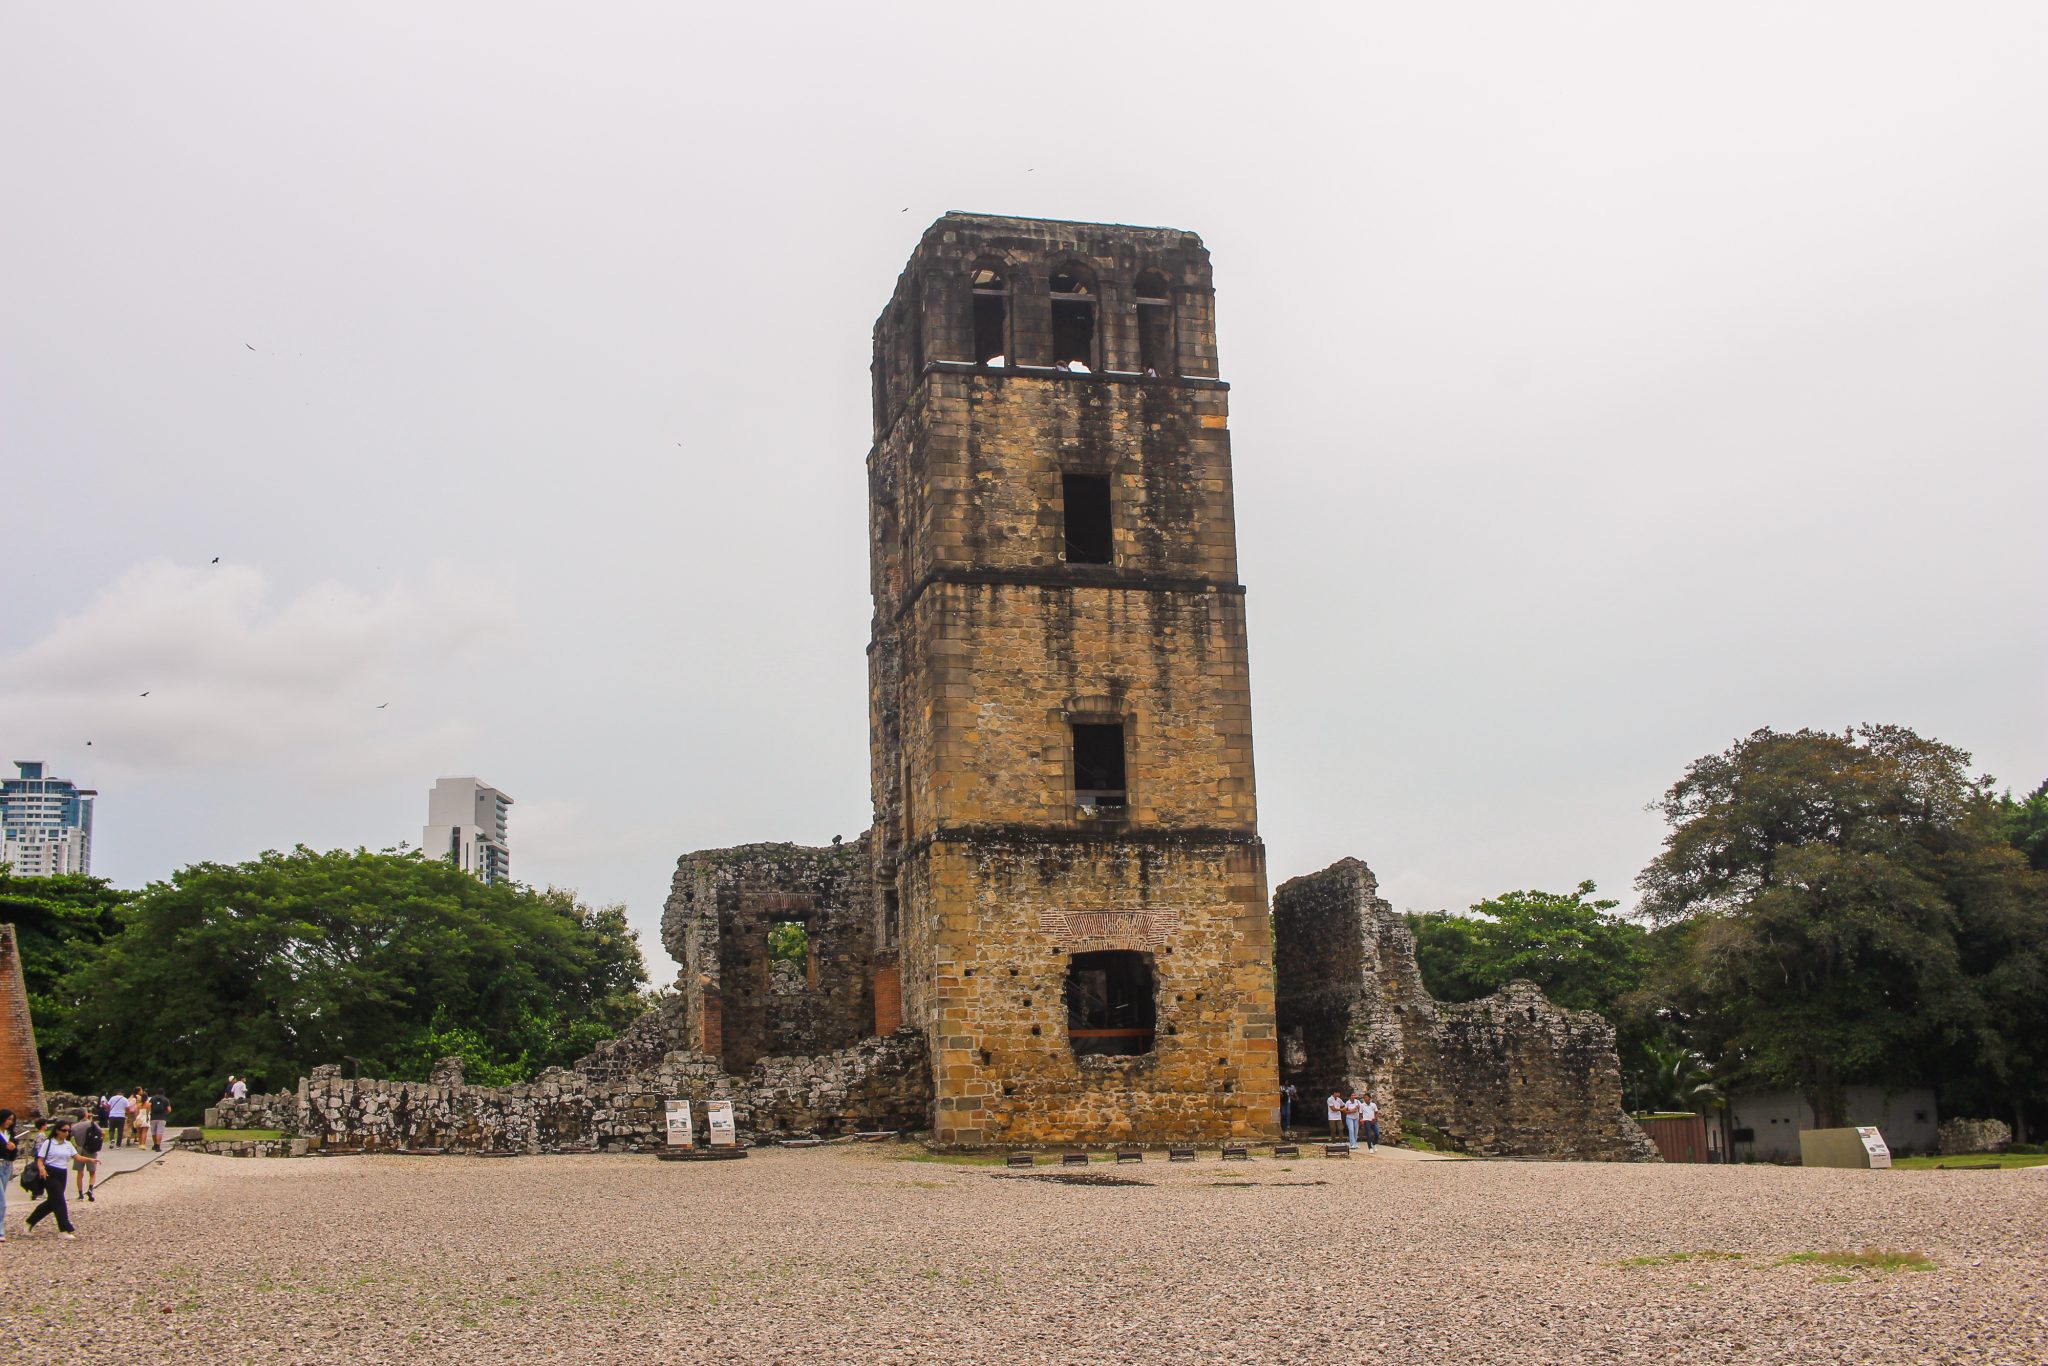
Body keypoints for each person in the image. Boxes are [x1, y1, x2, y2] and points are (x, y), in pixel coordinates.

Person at [24, 1119, 79, 1238]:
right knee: (59, 1200)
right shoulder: (48, 1143)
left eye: (68, 1131)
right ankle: (64, 1229)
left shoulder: (67, 1144)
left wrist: (91, 1160)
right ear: (57, 1131)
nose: (67, 1133)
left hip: (62, 1173)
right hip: (49, 1173)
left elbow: (76, 1156)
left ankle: (30, 1222)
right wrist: (42, 1169)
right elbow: (40, 1159)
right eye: (64, 1130)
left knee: (52, 1202)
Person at [72, 1109, 103, 1202]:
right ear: (85, 1115)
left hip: (79, 1149)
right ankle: (90, 1189)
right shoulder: (92, 1124)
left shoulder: (74, 1127)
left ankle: (80, 1194)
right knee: (92, 1172)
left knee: (79, 1173)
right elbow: (101, 1132)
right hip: (90, 1149)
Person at [0, 1108, 17, 1240]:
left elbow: (13, 1155)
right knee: (2, 1201)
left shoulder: (10, 1134)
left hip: (7, 1166)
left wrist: (12, 1149)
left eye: (12, 1120)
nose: (10, 1122)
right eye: (8, 1119)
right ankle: (0, 1229)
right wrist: (5, 1147)